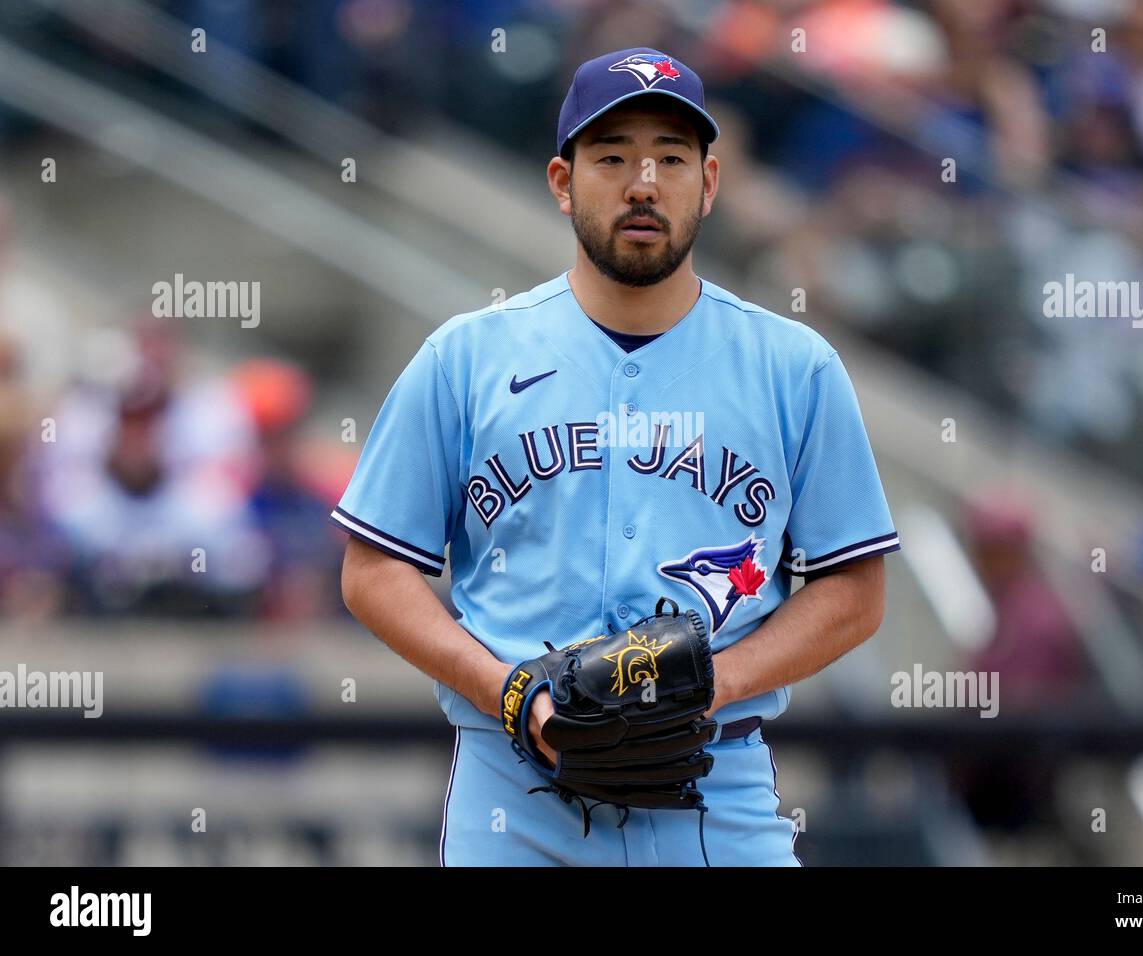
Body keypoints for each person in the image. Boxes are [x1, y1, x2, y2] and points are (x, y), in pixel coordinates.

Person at [333, 47, 900, 866]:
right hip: (514, 795)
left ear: (709, 184)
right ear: (563, 180)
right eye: (612, 157)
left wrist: (717, 685)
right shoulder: (466, 356)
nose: (643, 183)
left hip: (717, 786)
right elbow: (373, 568)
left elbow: (856, 590)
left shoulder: (794, 367)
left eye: (671, 158)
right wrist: (508, 690)